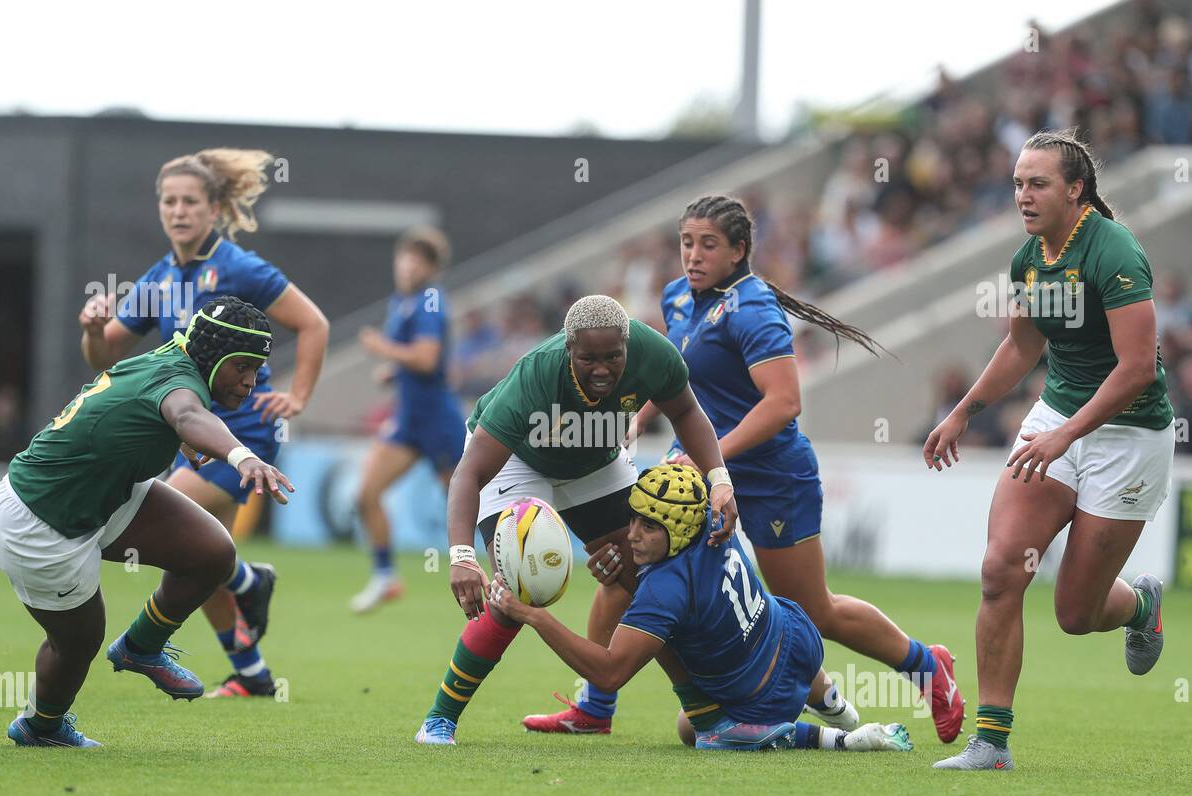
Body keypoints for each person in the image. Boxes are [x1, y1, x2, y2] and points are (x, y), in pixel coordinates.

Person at [526, 196, 965, 744]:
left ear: (739, 250)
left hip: (772, 475)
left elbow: (784, 402)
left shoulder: (753, 309)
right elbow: (678, 384)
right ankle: (595, 706)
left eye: (708, 244)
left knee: (812, 610)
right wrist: (638, 418)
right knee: (626, 566)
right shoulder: (677, 298)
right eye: (687, 242)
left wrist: (715, 464)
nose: (693, 255)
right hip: (700, 475)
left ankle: (926, 667)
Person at [923, 129, 1174, 771]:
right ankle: (992, 743)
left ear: (1074, 189)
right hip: (1057, 421)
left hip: (1127, 438)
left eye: (1036, 184)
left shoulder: (1114, 253)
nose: (1023, 196)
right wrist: (962, 411)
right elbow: (1022, 346)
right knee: (1001, 568)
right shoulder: (1030, 258)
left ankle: (1140, 604)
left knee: (1075, 613)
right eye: (1017, 183)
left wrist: (1068, 434)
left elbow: (1138, 368)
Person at [414, 294, 739, 745]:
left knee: (644, 577)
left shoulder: (654, 353)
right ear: (568, 351)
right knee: (518, 587)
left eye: (613, 357)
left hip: (596, 459)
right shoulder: (535, 375)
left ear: (629, 345)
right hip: (519, 462)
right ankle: (440, 718)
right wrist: (462, 555)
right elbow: (468, 473)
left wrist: (720, 478)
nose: (602, 369)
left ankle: (703, 718)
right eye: (588, 358)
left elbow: (685, 411)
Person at [77, 149, 329, 698]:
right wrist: (95, 328)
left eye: (190, 201)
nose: (178, 210)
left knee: (176, 532)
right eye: (169, 201)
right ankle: (255, 675)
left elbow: (313, 323)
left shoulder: (239, 267)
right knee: (195, 552)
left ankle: (247, 579)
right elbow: (104, 357)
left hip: (243, 430)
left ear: (214, 209)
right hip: (188, 434)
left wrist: (298, 396)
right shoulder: (159, 276)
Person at [0, 298, 293, 747]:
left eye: (257, 368)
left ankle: (141, 646)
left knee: (214, 551)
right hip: (39, 519)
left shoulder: (176, 356)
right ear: (214, 357)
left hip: (100, 495)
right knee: (77, 643)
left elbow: (154, 409)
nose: (250, 381)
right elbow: (185, 413)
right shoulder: (181, 381)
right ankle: (41, 726)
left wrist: (177, 438)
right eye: (242, 366)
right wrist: (241, 455)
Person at [489, 465, 913, 754]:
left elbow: (609, 672)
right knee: (770, 622)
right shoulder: (714, 520)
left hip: (760, 700)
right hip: (798, 639)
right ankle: (835, 704)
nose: (632, 535)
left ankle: (840, 740)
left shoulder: (664, 589)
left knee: (692, 729)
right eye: (633, 519)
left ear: (675, 529)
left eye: (648, 527)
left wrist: (534, 615)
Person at [350, 227, 466, 612]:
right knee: (365, 495)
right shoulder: (403, 301)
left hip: (437, 418)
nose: (407, 265)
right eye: (405, 257)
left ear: (431, 268)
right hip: (409, 419)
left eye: (418, 260)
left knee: (463, 504)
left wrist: (383, 350)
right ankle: (385, 576)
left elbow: (428, 358)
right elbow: (414, 359)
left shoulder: (430, 299)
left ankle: (505, 574)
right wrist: (393, 371)